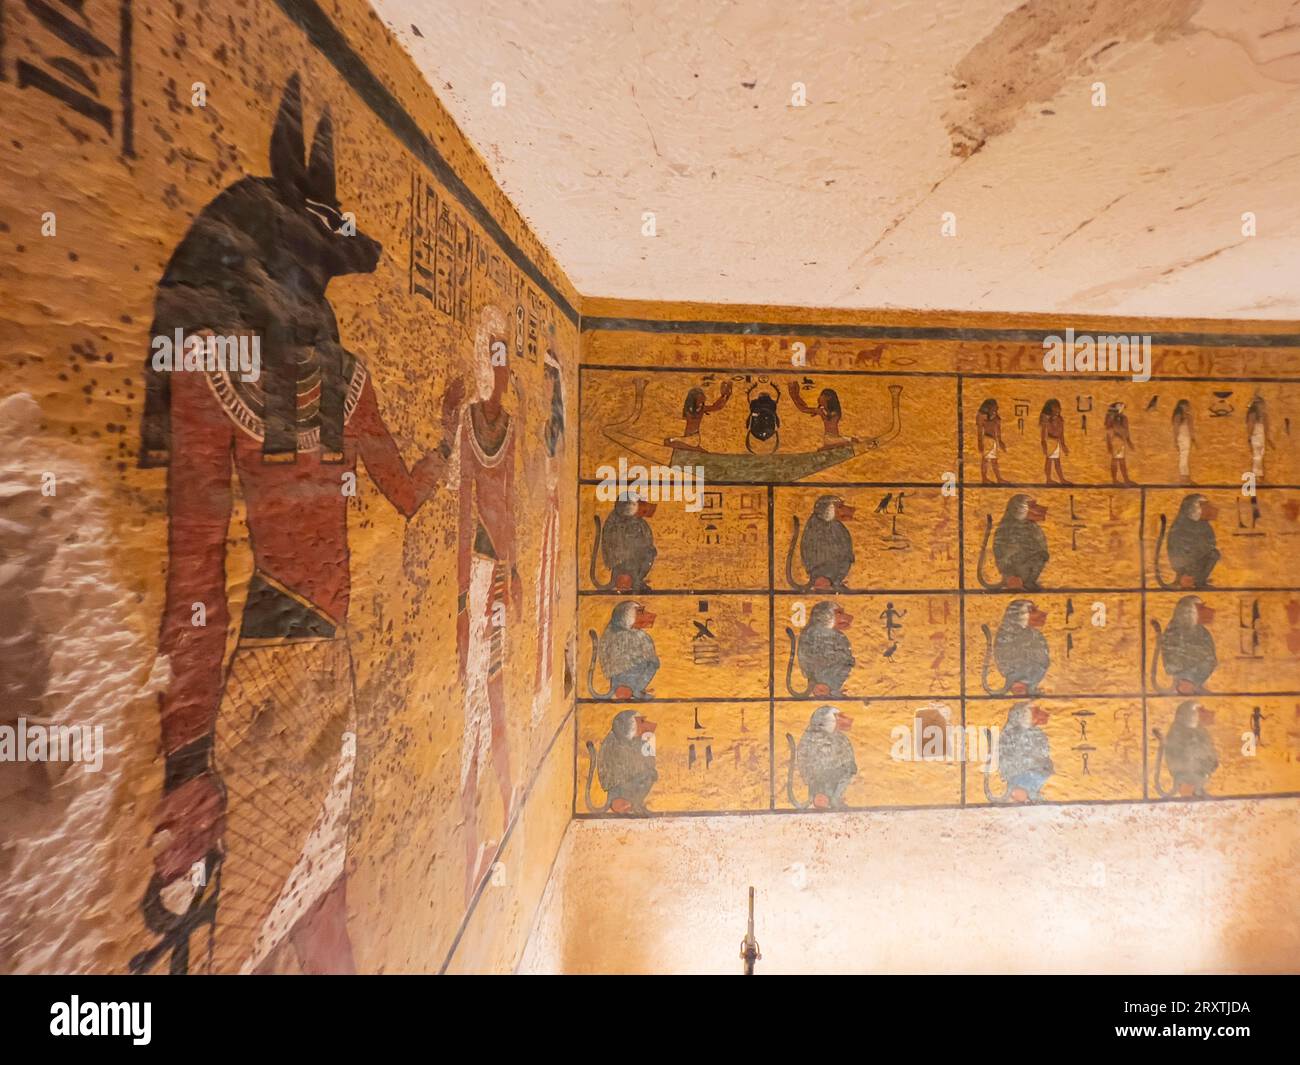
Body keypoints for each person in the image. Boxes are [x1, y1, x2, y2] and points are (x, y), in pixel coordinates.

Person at [976, 397, 1011, 484]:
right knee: (986, 460)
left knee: (993, 460)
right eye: (995, 406)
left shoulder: (995, 416)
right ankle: (985, 478)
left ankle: (997, 478)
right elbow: (980, 430)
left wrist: (1000, 441)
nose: (996, 408)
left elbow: (998, 429)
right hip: (987, 440)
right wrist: (980, 442)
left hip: (993, 440)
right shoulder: (982, 416)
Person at [1104, 401, 1136, 485]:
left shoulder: (1123, 417)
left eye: (1122, 406)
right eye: (1120, 406)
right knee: (1116, 460)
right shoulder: (1111, 417)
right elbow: (1109, 430)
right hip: (1115, 440)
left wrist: (1129, 441)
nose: (1122, 408)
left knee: (1121, 461)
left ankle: (1125, 479)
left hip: (1121, 441)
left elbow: (1126, 431)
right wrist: (1109, 442)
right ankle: (1116, 480)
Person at [1039, 398, 1069, 485]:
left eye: (1058, 408)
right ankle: (1049, 479)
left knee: (1057, 462)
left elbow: (1061, 434)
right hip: (1050, 442)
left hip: (1056, 442)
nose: (1057, 410)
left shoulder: (1060, 420)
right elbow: (1043, 433)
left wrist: (1063, 445)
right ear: (1050, 410)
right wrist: (1044, 444)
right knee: (1049, 461)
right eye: (1055, 408)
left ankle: (1061, 479)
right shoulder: (1047, 420)